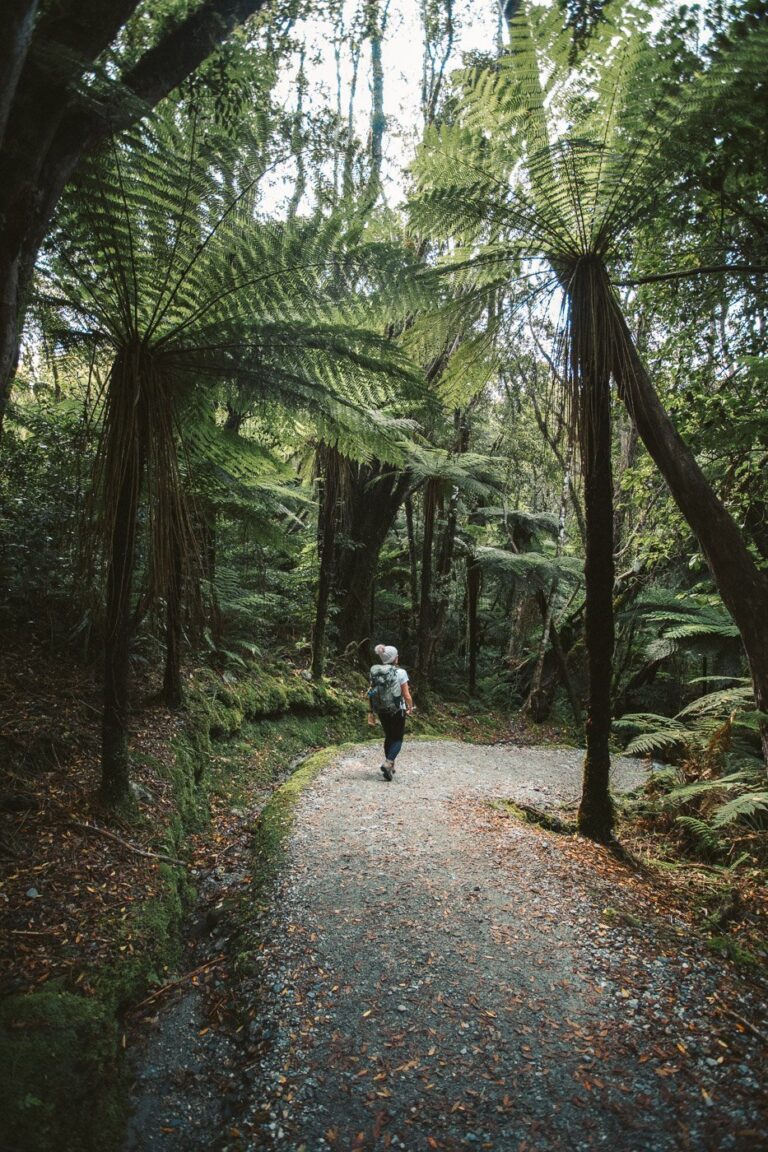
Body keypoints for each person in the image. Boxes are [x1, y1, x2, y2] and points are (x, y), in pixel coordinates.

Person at [368, 643, 413, 781]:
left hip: (381, 709)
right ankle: (388, 763)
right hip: (398, 709)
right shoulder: (401, 672)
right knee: (398, 738)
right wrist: (410, 706)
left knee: (389, 736)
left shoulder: (375, 672)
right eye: (396, 655)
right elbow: (406, 694)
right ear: (394, 658)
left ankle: (390, 765)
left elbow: (372, 691)